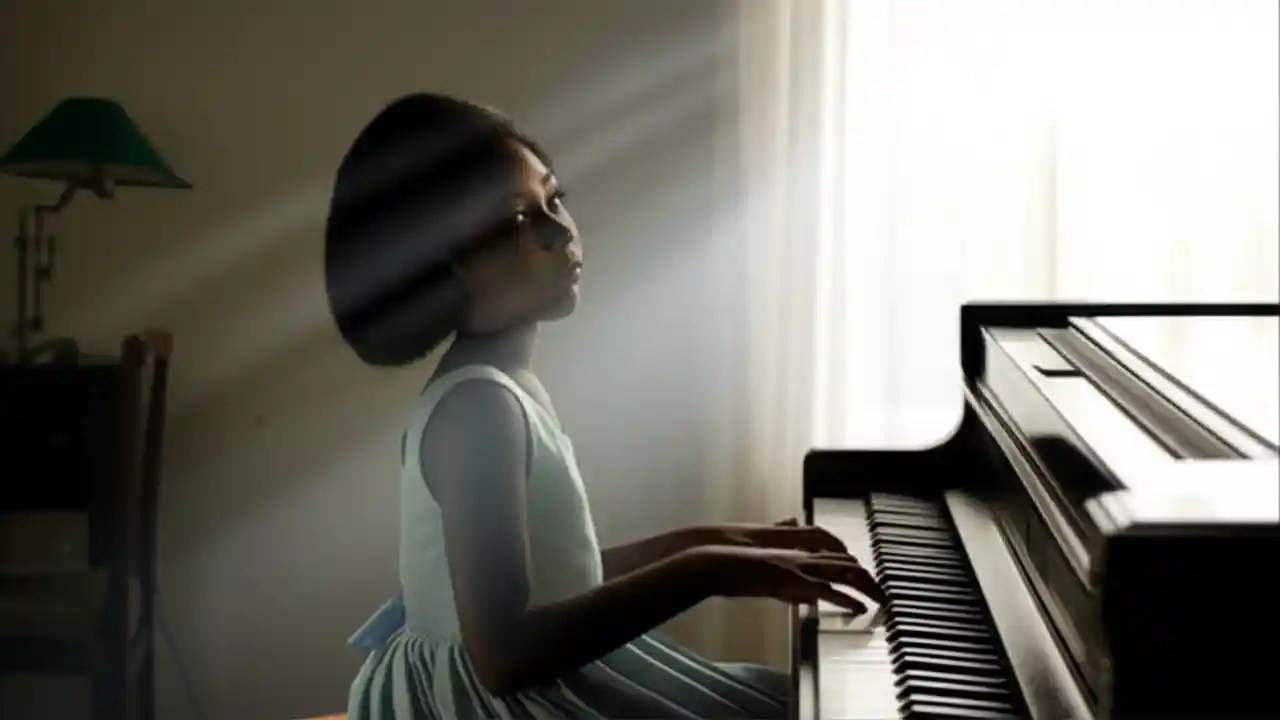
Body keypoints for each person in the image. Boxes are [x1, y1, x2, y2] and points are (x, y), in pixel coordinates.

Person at [324, 92, 886, 719]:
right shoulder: (477, 410)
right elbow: (504, 655)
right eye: (517, 222)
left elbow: (559, 576)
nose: (560, 230)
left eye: (555, 199)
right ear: (445, 265)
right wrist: (708, 570)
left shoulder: (497, 385)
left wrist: (720, 542)